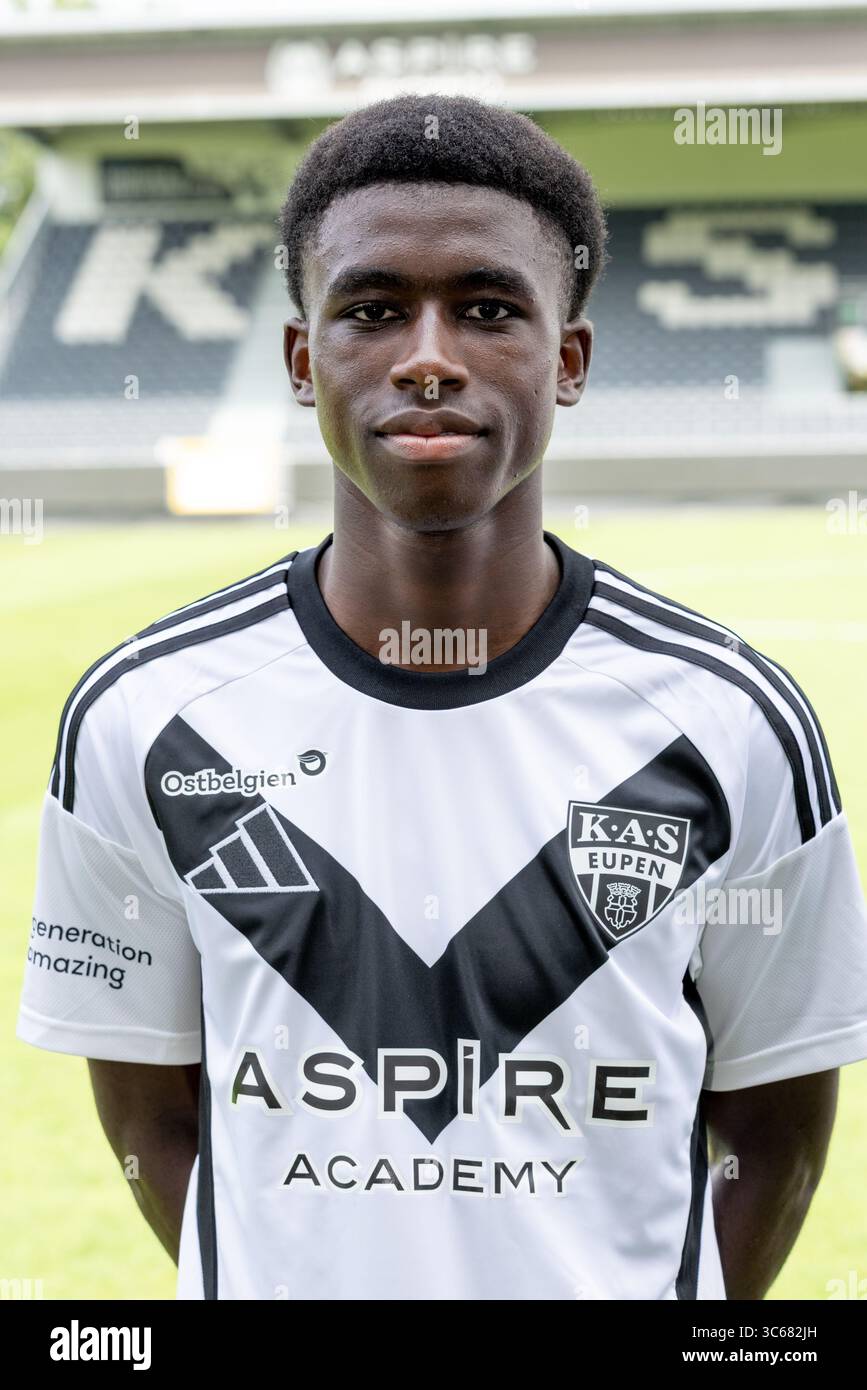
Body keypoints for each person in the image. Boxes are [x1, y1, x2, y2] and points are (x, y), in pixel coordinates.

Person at [16, 94, 867, 1301]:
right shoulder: (145, 717)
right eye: (372, 309)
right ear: (304, 358)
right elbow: (153, 1122)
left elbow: (777, 1136)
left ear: (565, 358)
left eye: (486, 308)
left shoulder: (733, 725)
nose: (427, 356)